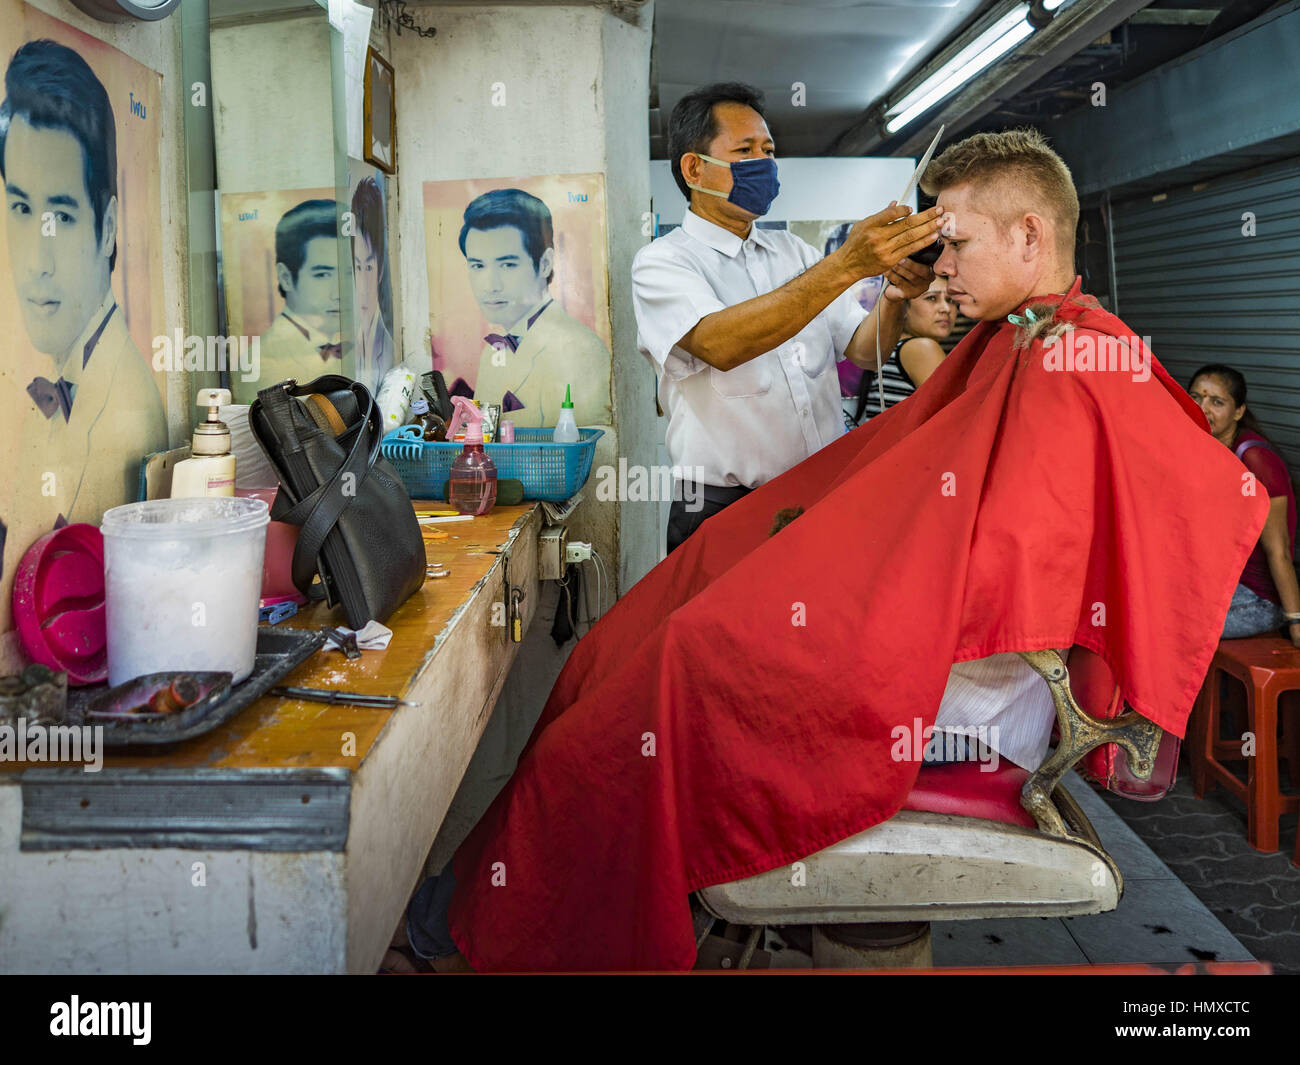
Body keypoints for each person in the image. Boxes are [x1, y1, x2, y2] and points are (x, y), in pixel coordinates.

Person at [408, 128, 1263, 973]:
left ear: (1030, 236)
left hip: (968, 667)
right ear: (693, 168)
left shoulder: (1071, 356)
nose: (947, 265)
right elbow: (724, 349)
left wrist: (839, 562)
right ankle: (499, 899)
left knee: (669, 670)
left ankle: (522, 925)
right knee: (621, 639)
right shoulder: (1015, 335)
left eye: (956, 242)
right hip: (882, 587)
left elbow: (1001, 568)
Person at [632, 82, 943, 552]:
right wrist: (847, 264)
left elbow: (864, 350)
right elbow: (722, 344)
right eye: (745, 150)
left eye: (769, 150)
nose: (765, 163)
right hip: (724, 508)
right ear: (695, 168)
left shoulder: (792, 251)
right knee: (727, 624)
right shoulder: (664, 262)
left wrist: (895, 295)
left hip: (822, 493)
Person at [1, 38, 166, 526]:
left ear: (108, 227)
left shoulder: (120, 417)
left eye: (63, 215)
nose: (37, 261)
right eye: (22, 208)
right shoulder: (68, 383)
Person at [460, 188, 611, 428]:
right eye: (478, 266)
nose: (490, 286)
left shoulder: (580, 349)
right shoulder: (493, 353)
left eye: (508, 264)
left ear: (545, 264)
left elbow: (587, 452)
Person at [1188, 364, 1300, 643]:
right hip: (1223, 585)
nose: (1203, 408)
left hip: (1259, 600)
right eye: (1195, 397)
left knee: (1171, 630)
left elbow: (1279, 550)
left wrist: (1296, 620)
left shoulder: (1255, 460)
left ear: (1239, 411)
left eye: (1217, 402)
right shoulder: (1207, 449)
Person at [235, 199, 342, 403]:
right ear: (285, 277)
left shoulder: (345, 341)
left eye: (346, 274)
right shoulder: (262, 361)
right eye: (322, 275)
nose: (338, 293)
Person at [849, 275, 952, 427]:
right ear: (903, 306)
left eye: (950, 300)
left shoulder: (886, 349)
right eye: (931, 298)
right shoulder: (922, 348)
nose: (946, 309)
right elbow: (954, 419)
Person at [351, 176, 394, 394]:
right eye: (358, 268)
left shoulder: (388, 348)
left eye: (369, 267)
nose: (364, 287)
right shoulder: (350, 347)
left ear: (381, 269)